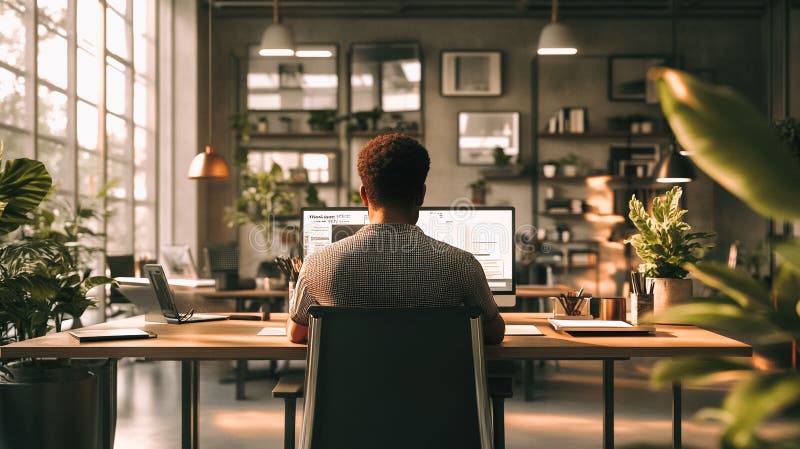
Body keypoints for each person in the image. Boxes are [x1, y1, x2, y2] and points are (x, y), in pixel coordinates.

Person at [286, 133, 505, 344]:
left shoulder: (317, 264)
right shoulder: (462, 265)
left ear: (364, 195)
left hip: (351, 372)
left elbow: (296, 334)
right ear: (421, 194)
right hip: (431, 372)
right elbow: (494, 334)